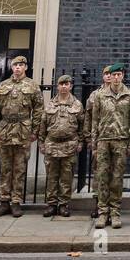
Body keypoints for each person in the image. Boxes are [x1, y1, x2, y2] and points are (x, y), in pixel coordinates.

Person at [0, 54, 43, 218]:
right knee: (5, 168)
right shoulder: (3, 85)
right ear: (11, 67)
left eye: (21, 65)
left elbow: (39, 110)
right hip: (5, 129)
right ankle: (4, 202)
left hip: (23, 130)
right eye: (15, 65)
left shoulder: (33, 86)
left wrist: (35, 130)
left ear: (26, 68)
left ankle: (16, 202)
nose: (18, 68)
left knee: (19, 169)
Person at [86, 62, 130, 229]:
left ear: (122, 76)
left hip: (121, 140)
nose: (115, 77)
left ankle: (115, 213)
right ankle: (102, 213)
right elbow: (95, 120)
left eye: (118, 74)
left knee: (117, 178)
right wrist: (94, 143)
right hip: (103, 140)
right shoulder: (100, 95)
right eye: (113, 75)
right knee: (102, 177)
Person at [40, 74, 85, 218]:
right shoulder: (50, 104)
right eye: (61, 84)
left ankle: (63, 204)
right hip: (52, 144)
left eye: (67, 84)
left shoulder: (77, 105)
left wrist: (81, 142)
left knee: (66, 177)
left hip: (69, 144)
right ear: (58, 86)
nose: (64, 86)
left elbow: (82, 125)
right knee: (52, 176)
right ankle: (51, 204)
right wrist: (41, 143)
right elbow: (43, 125)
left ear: (71, 86)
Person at [84, 65, 111, 219]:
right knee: (99, 173)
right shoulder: (95, 95)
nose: (108, 76)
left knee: (113, 174)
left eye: (111, 74)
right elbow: (88, 117)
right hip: (99, 139)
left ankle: (112, 205)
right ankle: (99, 203)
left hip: (115, 139)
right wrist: (89, 138)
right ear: (102, 76)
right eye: (106, 74)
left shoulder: (122, 93)